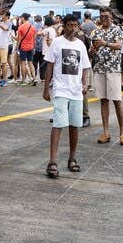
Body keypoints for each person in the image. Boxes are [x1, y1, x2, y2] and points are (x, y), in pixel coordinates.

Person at [42, 12, 87, 178]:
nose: (73, 28)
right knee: (59, 124)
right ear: (64, 26)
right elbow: (50, 66)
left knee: (75, 125)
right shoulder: (57, 43)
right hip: (60, 90)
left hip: (76, 92)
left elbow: (84, 67)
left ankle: (72, 158)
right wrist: (46, 89)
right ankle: (52, 161)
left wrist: (84, 84)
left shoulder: (81, 45)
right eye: (70, 25)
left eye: (75, 25)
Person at [88, 10, 123, 145]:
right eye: (102, 16)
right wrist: (92, 51)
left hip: (113, 69)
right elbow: (91, 51)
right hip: (99, 69)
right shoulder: (95, 32)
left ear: (112, 17)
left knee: (117, 100)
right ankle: (106, 133)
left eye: (107, 16)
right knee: (103, 101)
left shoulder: (117, 30)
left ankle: (122, 133)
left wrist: (105, 43)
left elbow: (119, 45)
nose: (104, 19)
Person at [16, 15, 37, 85]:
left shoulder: (21, 27)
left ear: (23, 18)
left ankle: (23, 80)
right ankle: (34, 78)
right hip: (31, 47)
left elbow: (19, 39)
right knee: (30, 63)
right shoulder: (33, 27)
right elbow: (34, 39)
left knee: (23, 63)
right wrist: (34, 47)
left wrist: (17, 48)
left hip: (23, 47)